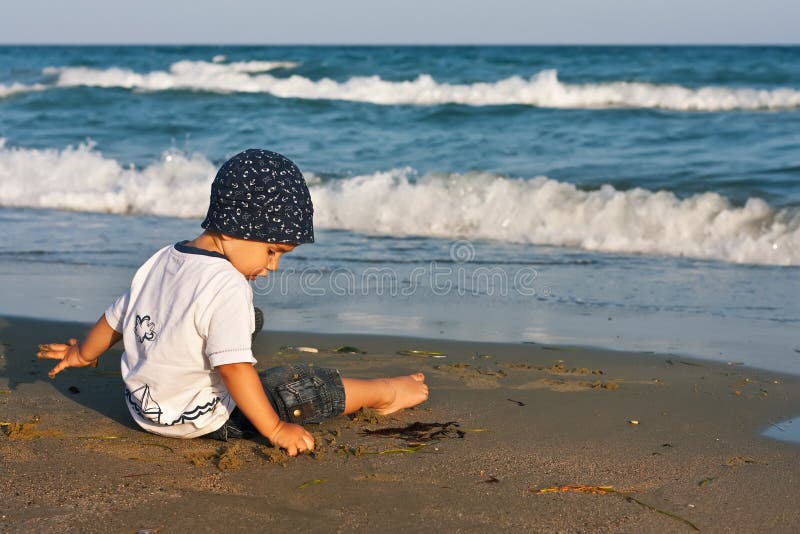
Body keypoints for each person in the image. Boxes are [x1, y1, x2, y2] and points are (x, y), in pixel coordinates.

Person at [37, 149, 428, 456]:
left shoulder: (164, 257)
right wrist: (275, 428)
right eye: (273, 251)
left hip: (141, 409)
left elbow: (117, 318)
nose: (273, 266)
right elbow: (235, 370)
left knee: (246, 320)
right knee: (302, 387)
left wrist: (82, 355)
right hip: (199, 420)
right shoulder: (227, 285)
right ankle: (385, 392)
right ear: (240, 228)